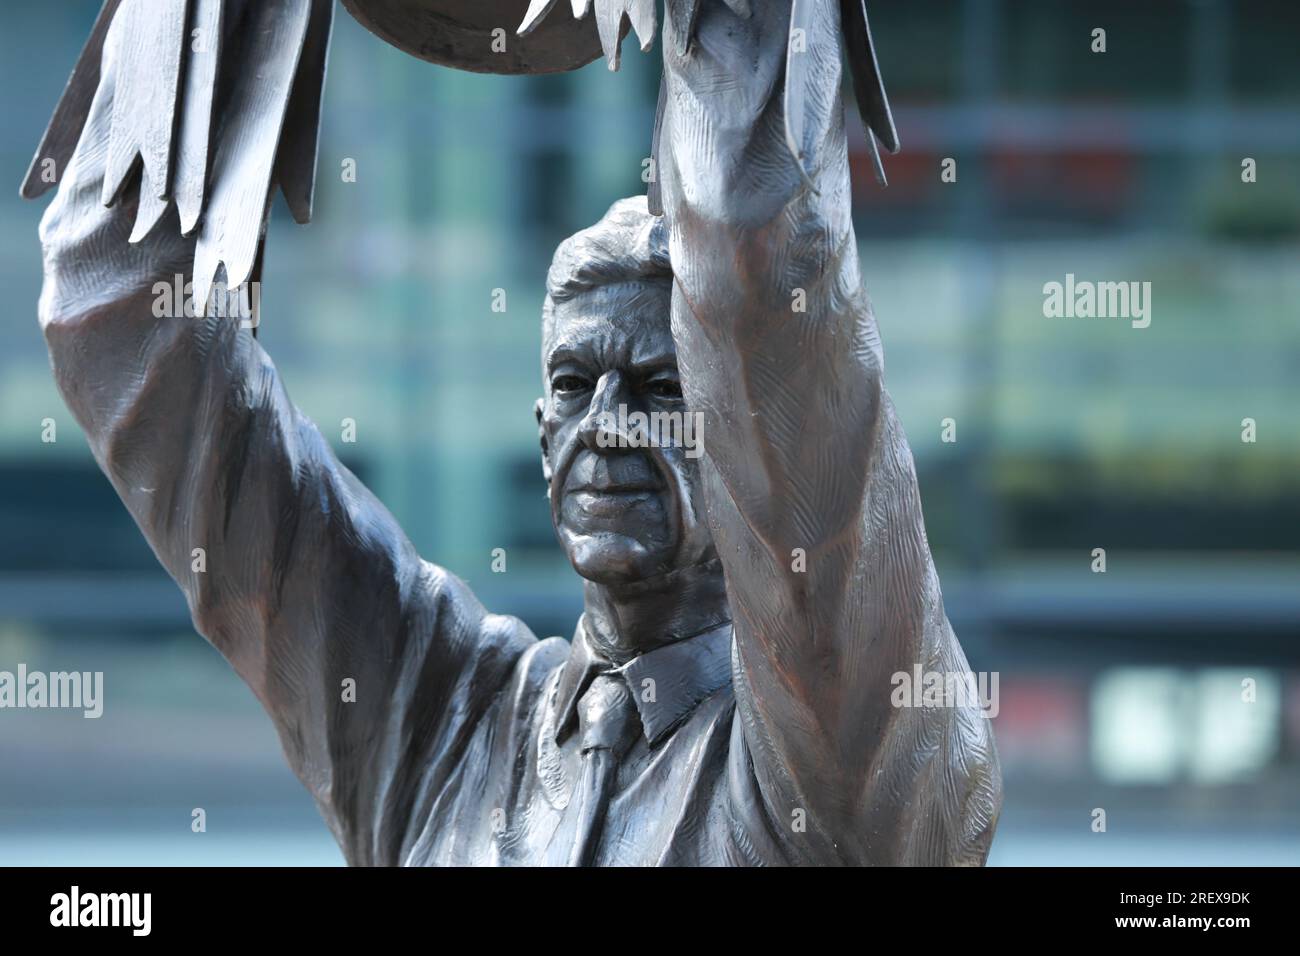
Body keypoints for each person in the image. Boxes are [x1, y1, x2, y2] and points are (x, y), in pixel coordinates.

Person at [36, 0, 1000, 865]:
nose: (609, 425)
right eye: (577, 385)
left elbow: (761, 266)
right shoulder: (433, 723)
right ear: (542, 437)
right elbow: (117, 311)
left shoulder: (850, 766)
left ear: (742, 432)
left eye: (661, 385)